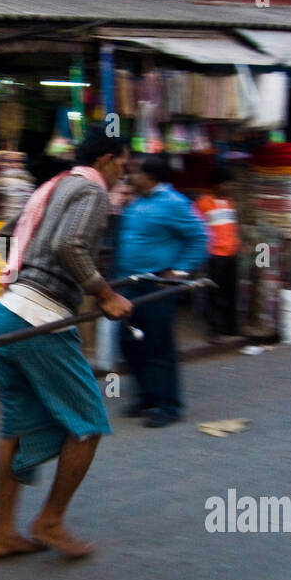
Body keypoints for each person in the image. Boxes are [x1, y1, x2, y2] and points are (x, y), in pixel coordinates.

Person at [0, 126, 132, 560]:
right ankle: (49, 520)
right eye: (123, 162)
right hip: (41, 320)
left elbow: (3, 238)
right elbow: (69, 245)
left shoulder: (50, 187)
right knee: (88, 423)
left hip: (9, 311)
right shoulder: (92, 191)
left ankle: (2, 533)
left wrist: (26, 278)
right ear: (105, 159)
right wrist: (104, 294)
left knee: (15, 426)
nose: (124, 172)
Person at [115, 154, 209, 427]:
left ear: (152, 176)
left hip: (157, 286)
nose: (130, 176)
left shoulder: (175, 203)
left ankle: (169, 405)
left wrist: (178, 271)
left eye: (136, 172)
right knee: (130, 342)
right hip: (128, 284)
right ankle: (147, 396)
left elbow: (200, 239)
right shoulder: (136, 202)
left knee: (159, 346)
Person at [195, 166, 240, 341]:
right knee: (214, 294)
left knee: (231, 292)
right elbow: (198, 229)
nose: (230, 188)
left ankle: (230, 327)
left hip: (231, 252)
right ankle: (213, 330)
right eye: (227, 184)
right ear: (217, 185)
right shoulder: (203, 203)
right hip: (215, 254)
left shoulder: (230, 203)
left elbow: (232, 226)